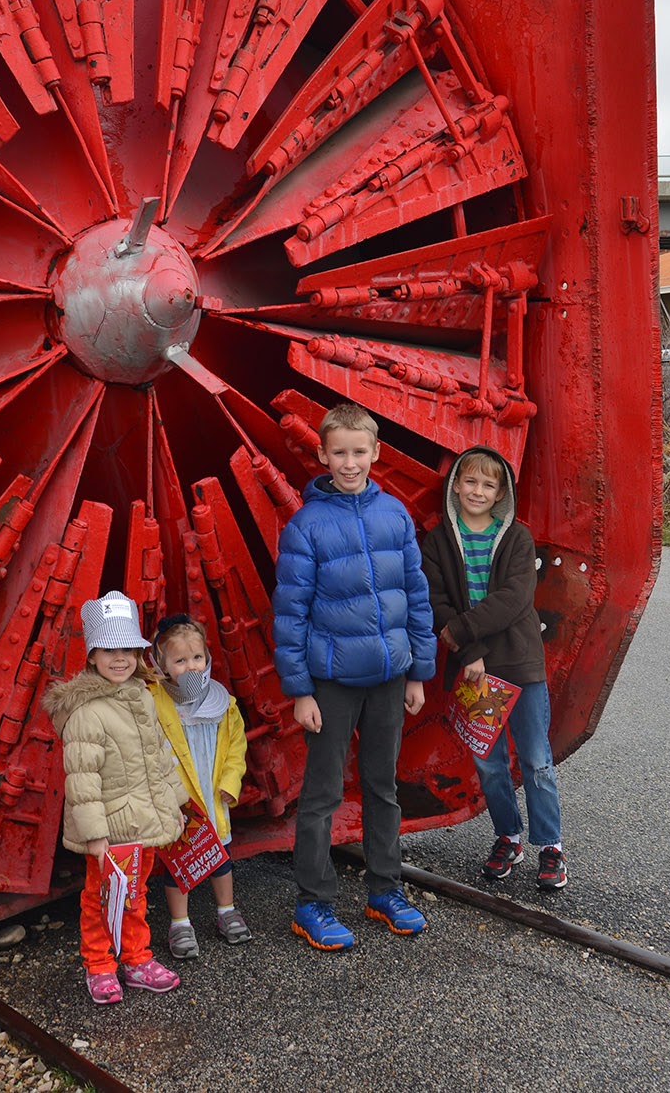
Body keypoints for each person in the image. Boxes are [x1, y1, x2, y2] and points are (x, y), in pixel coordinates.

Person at [273, 402, 437, 950]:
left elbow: (415, 595)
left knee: (381, 787)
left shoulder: (394, 516)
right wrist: (299, 690)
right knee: (321, 794)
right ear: (322, 454)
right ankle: (312, 903)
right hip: (333, 682)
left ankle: (384, 890)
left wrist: (418, 671)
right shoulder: (306, 526)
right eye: (338, 453)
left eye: (358, 452)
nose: (349, 462)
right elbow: (290, 615)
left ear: (375, 453)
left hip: (390, 676)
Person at [420, 445, 567, 891]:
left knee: (537, 758)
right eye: (470, 482)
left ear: (501, 491)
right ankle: (508, 836)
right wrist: (468, 653)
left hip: (521, 663)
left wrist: (459, 633)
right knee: (489, 763)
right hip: (476, 670)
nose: (477, 491)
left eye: (488, 484)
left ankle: (551, 847)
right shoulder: (438, 541)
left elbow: (514, 599)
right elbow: (436, 600)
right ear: (455, 486)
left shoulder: (518, 538)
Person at [43, 591, 189, 1004]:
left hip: (143, 819)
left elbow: (159, 754)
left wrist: (176, 804)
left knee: (134, 895)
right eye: (110, 649)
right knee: (100, 897)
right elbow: (82, 779)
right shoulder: (86, 712)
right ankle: (100, 965)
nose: (120, 658)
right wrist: (94, 836)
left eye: (128, 648)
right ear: (92, 655)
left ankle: (137, 959)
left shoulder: (141, 695)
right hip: (112, 828)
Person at [150, 613, 251, 958]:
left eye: (197, 658)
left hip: (212, 795)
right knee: (178, 863)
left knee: (220, 857)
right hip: (179, 800)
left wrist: (230, 782)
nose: (191, 667)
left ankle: (226, 911)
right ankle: (180, 923)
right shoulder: (154, 703)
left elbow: (236, 748)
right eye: (179, 660)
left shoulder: (223, 705)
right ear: (161, 664)